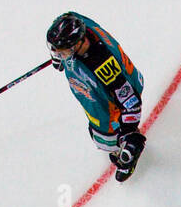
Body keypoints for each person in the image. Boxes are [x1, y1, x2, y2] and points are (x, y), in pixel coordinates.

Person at [46, 11, 146, 182]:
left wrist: (129, 136)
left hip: (116, 97)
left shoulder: (104, 66)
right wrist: (59, 56)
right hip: (101, 87)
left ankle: (125, 155)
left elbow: (131, 102)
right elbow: (66, 15)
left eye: (63, 52)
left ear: (78, 44)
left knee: (106, 135)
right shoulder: (78, 23)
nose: (60, 55)